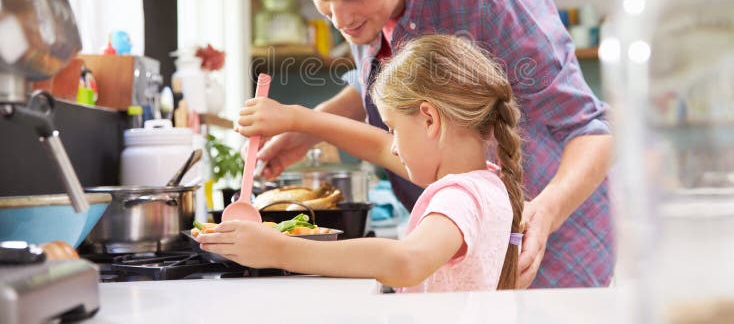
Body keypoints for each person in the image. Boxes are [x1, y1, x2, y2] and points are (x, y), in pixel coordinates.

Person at [255, 0, 614, 288]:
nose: (341, 19)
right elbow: (384, 78)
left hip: (552, 245)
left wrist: (547, 211)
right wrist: (313, 127)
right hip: (461, 250)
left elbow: (593, 130)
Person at [199, 35, 524, 292]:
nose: (393, 146)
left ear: (429, 119)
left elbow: (407, 261)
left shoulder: (459, 197)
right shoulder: (487, 181)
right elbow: (379, 148)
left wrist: (279, 250)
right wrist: (296, 118)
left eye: (394, 129)